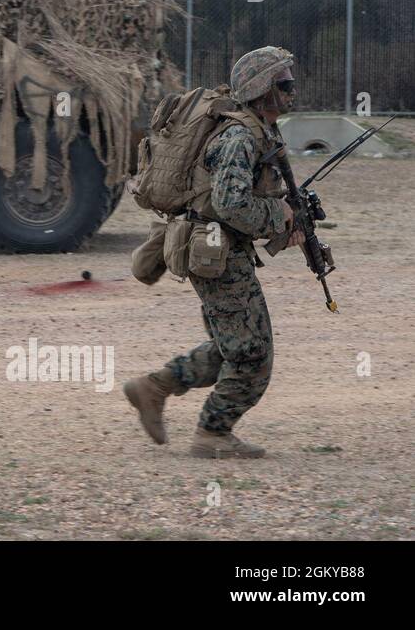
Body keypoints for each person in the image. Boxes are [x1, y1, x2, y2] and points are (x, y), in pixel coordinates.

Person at [124, 46, 303, 459]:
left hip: (219, 250)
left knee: (233, 346)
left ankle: (154, 387)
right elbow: (230, 204)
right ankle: (212, 432)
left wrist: (283, 225)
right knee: (252, 355)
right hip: (216, 254)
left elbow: (237, 203)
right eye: (286, 84)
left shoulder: (257, 130)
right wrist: (280, 215)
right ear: (265, 90)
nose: (293, 91)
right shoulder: (240, 136)